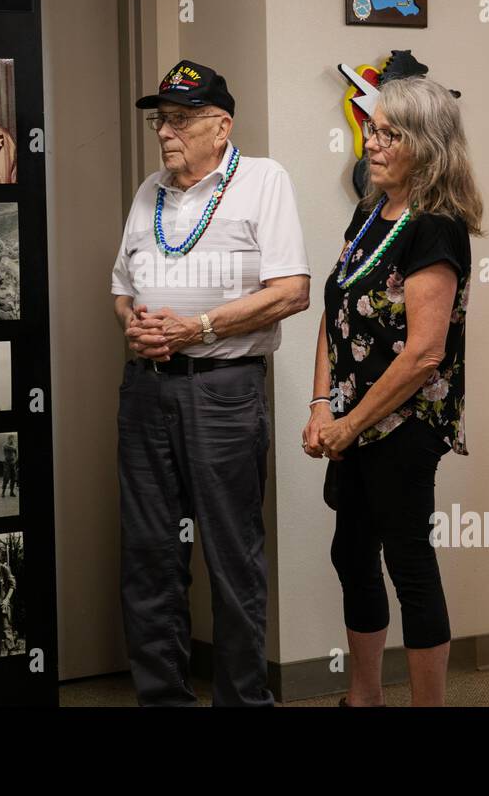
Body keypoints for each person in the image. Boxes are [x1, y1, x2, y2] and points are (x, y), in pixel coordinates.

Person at [112, 59, 311, 706]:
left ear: (220, 126)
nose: (165, 132)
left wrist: (195, 330)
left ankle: (244, 702)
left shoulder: (262, 181)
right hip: (146, 389)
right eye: (160, 119)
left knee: (231, 557)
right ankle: (163, 699)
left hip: (223, 390)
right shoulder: (149, 191)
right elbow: (122, 288)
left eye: (180, 120)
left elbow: (291, 293)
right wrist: (137, 326)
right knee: (149, 555)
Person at [303, 76, 482, 708]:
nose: (371, 144)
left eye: (387, 134)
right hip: (350, 418)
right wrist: (321, 403)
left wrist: (348, 428)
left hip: (404, 426)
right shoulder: (371, 210)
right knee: (350, 552)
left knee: (409, 564)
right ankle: (365, 697)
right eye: (370, 130)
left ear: (427, 146)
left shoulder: (437, 228)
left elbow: (423, 354)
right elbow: (337, 307)